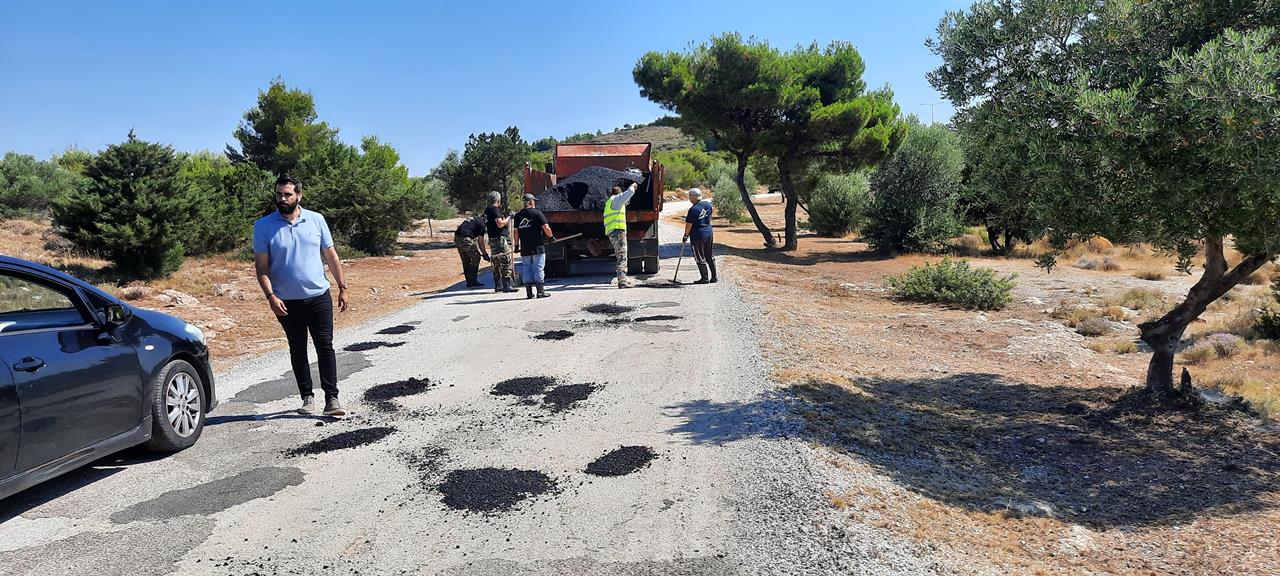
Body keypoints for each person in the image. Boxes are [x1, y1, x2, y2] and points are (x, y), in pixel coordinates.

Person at [253, 174, 350, 417]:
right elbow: (261, 268)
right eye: (278, 194)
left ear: (299, 196)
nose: (282, 199)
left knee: (324, 346)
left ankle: (332, 399)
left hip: (318, 296)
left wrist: (342, 286)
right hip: (286, 301)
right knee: (297, 348)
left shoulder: (316, 220)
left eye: (287, 194)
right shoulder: (263, 226)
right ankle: (307, 397)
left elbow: (331, 255)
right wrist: (271, 297)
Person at [513, 193, 555, 299]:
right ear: (531, 202)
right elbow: (546, 227)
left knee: (526, 268)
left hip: (525, 248)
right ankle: (540, 292)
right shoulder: (537, 213)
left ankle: (528, 293)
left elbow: (516, 232)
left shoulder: (518, 216)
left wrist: (517, 245)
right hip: (538, 247)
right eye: (534, 201)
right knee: (538, 268)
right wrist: (551, 237)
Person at [603, 182, 639, 288]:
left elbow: (626, 201)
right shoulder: (616, 200)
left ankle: (622, 279)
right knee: (622, 256)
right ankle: (622, 281)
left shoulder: (610, 202)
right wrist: (634, 185)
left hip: (612, 231)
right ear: (619, 194)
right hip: (618, 231)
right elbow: (630, 192)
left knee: (620, 255)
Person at [483, 191, 517, 293]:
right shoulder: (495, 209)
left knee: (496, 262)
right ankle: (507, 285)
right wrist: (509, 218)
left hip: (492, 239)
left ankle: (498, 285)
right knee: (506, 261)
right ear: (498, 199)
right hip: (500, 239)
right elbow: (500, 224)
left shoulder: (487, 210)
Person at [683, 188, 717, 284]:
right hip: (708, 232)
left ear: (694, 197)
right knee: (709, 254)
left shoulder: (693, 209)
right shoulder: (707, 204)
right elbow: (709, 217)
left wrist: (685, 236)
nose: (689, 198)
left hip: (698, 234)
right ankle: (714, 277)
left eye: (690, 196)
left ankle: (705, 278)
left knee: (699, 256)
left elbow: (689, 225)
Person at [454, 215, 490, 288]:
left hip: (457, 237)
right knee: (476, 257)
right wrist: (485, 254)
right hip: (465, 238)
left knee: (466, 259)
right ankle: (473, 281)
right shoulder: (482, 225)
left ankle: (469, 281)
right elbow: (481, 242)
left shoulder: (475, 218)